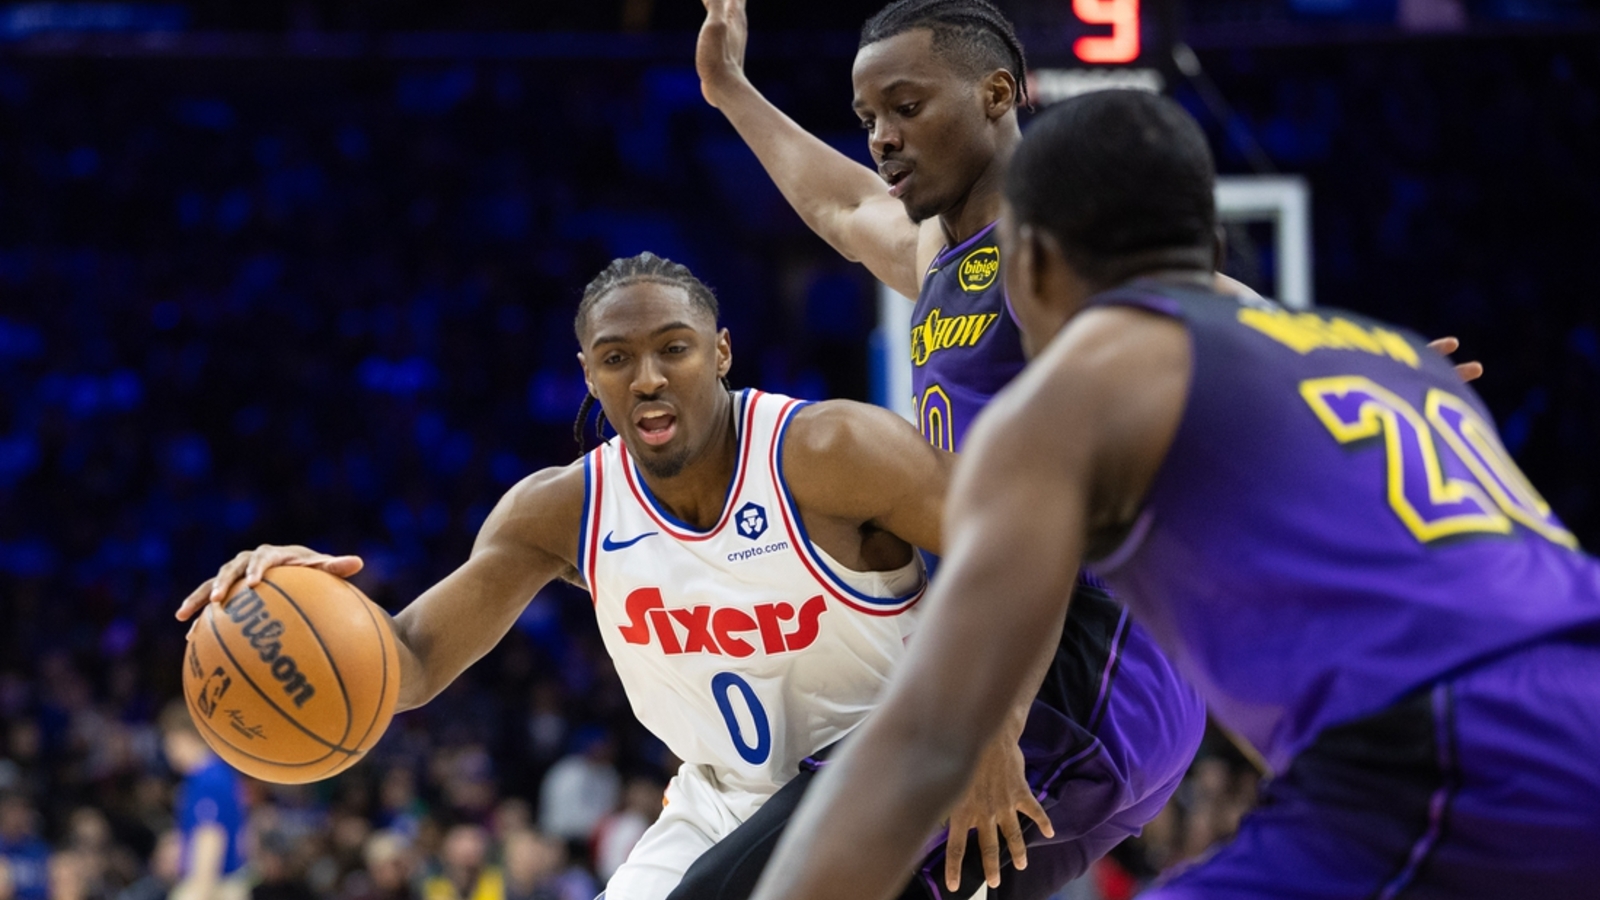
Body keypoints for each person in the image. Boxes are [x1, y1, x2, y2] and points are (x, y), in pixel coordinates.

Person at [747, 90, 1600, 900]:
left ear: (1033, 263)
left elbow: (929, 740)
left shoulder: (1093, 373)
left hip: (1443, 741)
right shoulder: (1389, 354)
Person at [175, 252, 1189, 900]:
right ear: (588, 375)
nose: (648, 376)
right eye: (617, 358)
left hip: (892, 762)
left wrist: (988, 730)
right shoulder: (557, 512)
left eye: (673, 349)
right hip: (717, 801)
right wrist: (290, 596)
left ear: (721, 352)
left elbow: (1022, 543)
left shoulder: (826, 450)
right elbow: (405, 661)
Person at [697, 0, 1211, 892]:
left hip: (1080, 667)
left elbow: (1197, 313)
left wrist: (990, 725)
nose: (882, 139)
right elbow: (839, 203)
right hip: (1037, 668)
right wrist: (731, 91)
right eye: (867, 120)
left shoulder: (1051, 255)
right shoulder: (948, 255)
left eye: (905, 107)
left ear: (997, 93)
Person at [158, 703, 248, 900]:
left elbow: (211, 836)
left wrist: (199, 889)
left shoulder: (208, 779)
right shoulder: (216, 775)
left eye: (168, 740)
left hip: (216, 887)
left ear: (182, 736)